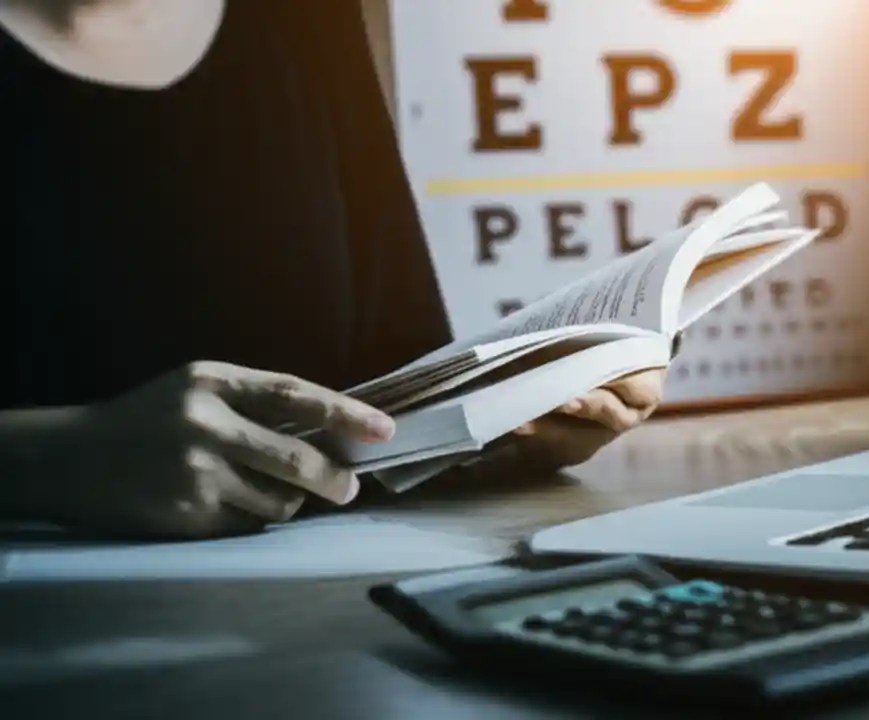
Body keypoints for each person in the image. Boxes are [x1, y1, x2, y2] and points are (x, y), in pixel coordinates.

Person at [0, 0, 666, 539]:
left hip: (320, 600)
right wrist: (45, 459)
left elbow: (385, 374)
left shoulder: (305, 19)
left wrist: (505, 425)